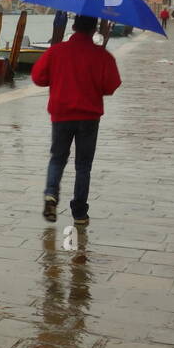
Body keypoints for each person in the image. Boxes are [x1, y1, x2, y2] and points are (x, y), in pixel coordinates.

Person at [32, 15, 122, 226]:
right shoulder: (103, 55)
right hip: (89, 116)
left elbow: (38, 78)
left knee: (57, 158)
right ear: (94, 30)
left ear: (73, 27)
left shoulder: (56, 51)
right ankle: (80, 213)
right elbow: (111, 86)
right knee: (83, 165)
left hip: (61, 114)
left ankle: (51, 194)